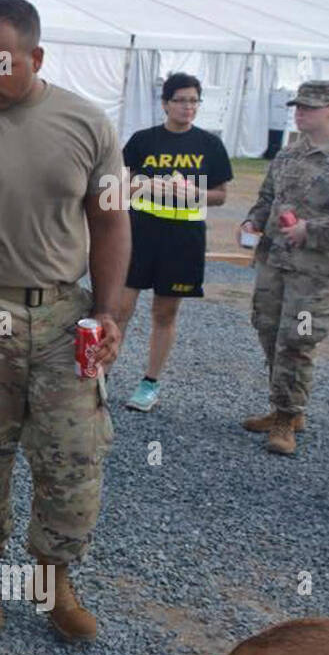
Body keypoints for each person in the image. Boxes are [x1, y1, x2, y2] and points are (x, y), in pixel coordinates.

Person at [0, 0, 127, 643]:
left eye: (0, 66)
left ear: (37, 57)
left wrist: (107, 310)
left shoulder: (88, 124)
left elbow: (111, 220)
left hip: (64, 316)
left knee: (73, 457)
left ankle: (54, 581)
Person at [239, 79, 329, 456]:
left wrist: (312, 229)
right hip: (277, 264)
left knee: (298, 340)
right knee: (270, 331)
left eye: (310, 106)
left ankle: (288, 416)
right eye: (298, 106)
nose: (300, 112)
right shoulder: (289, 153)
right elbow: (269, 197)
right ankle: (283, 407)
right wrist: (252, 222)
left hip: (317, 275)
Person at [114, 72, 232, 412]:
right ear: (165, 104)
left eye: (194, 100)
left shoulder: (210, 145)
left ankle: (149, 384)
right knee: (120, 308)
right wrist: (144, 186)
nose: (187, 106)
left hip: (183, 239)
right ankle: (102, 375)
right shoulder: (143, 140)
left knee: (164, 313)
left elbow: (222, 196)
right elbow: (116, 184)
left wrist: (196, 194)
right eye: (180, 100)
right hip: (139, 234)